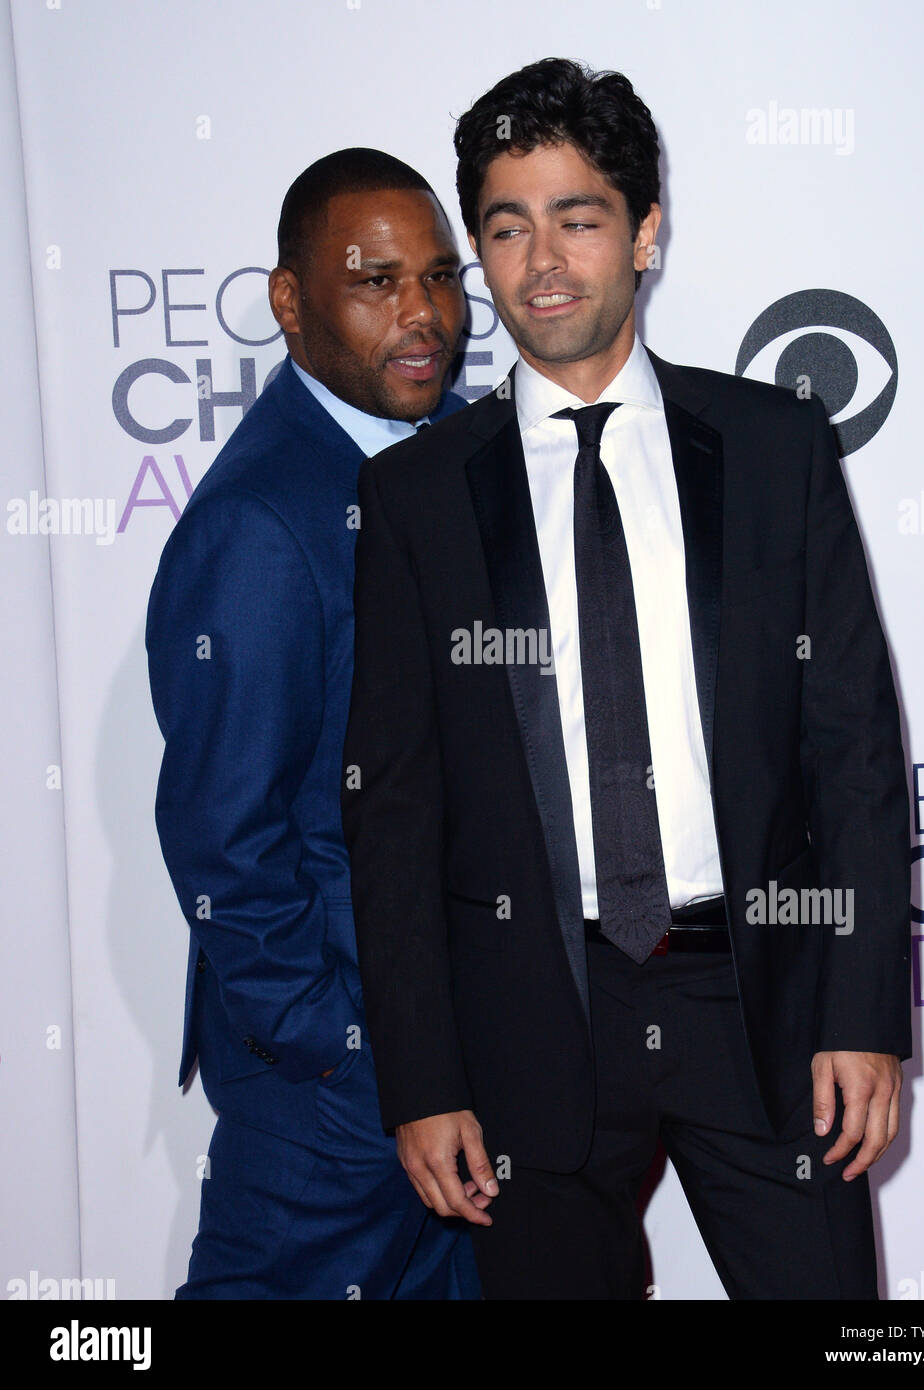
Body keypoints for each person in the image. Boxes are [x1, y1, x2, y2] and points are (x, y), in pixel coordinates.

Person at [341, 61, 912, 1300]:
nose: (540, 259)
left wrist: (863, 1012)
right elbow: (390, 810)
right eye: (505, 225)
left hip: (756, 994)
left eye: (577, 217)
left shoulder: (772, 450)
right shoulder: (417, 500)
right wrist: (423, 1078)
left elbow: (854, 754)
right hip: (531, 1015)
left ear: (644, 232)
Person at [146, 148, 480, 1299]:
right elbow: (222, 843)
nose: (422, 315)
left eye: (438, 277)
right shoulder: (258, 523)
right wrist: (350, 1054)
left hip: (463, 1067)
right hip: (335, 1099)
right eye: (375, 281)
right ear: (290, 303)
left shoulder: (456, 459)